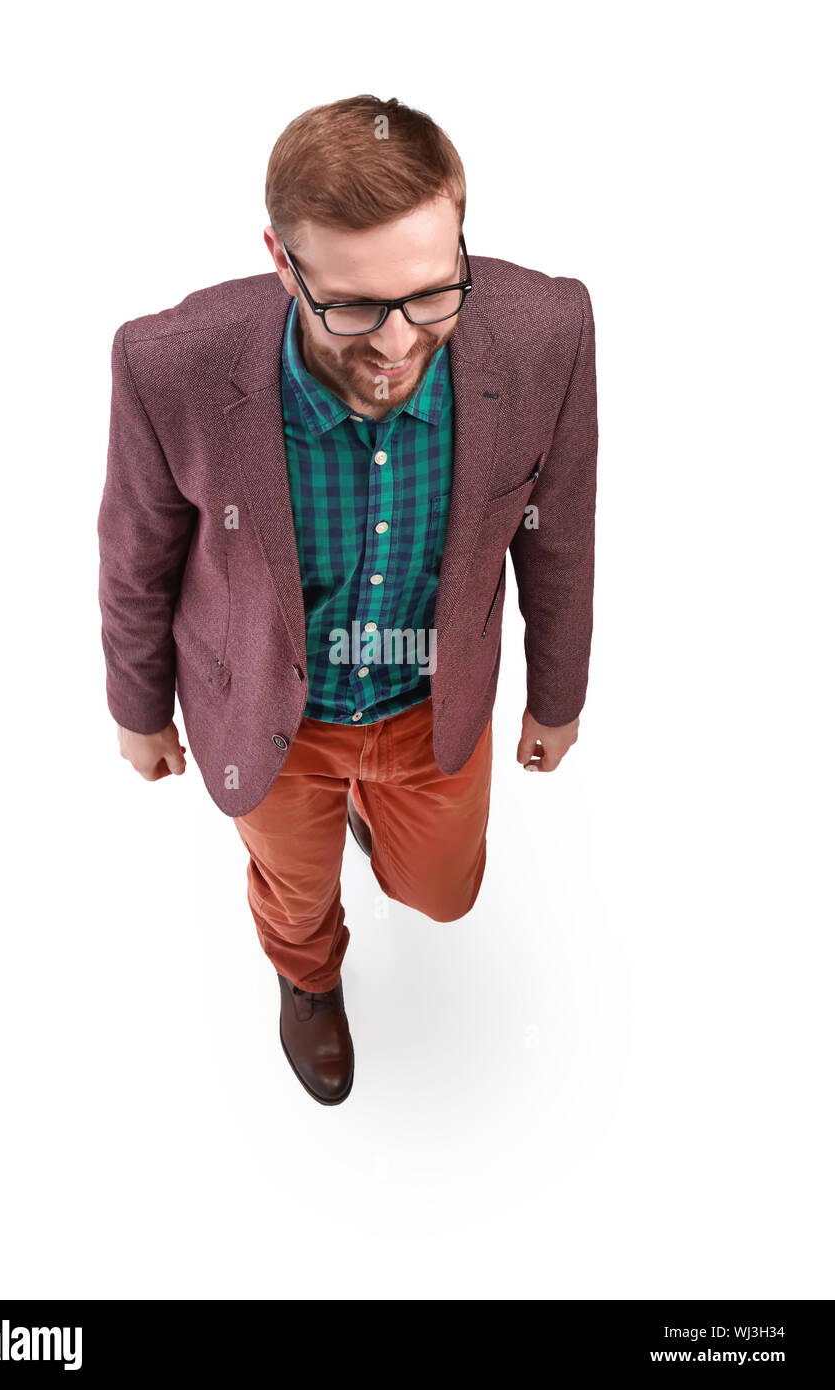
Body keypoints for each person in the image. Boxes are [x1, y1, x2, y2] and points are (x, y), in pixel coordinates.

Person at [97, 94, 599, 1106]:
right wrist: (137, 707)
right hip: (271, 715)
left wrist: (558, 693)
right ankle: (307, 976)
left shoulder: (548, 330)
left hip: (431, 706)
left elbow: (561, 531)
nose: (400, 342)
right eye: (355, 307)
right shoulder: (168, 365)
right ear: (283, 263)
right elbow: (136, 552)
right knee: (296, 890)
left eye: (432, 293)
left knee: (441, 896)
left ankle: (380, 828)